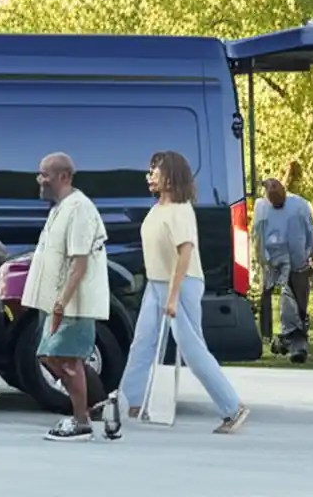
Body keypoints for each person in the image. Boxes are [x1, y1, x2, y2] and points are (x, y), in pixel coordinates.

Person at [121, 151, 250, 434]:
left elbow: (185, 253)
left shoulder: (181, 210)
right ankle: (128, 402)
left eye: (155, 171)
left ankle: (232, 407)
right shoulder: (158, 208)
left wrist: (172, 296)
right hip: (157, 284)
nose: (149, 176)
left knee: (192, 349)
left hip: (183, 283)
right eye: (150, 170)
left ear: (170, 176)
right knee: (142, 343)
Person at [20, 153, 111, 442]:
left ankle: (82, 422)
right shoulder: (60, 208)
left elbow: (79, 262)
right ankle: (101, 405)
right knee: (50, 356)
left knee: (67, 360)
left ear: (63, 177)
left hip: (74, 303)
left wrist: (61, 303)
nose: (39, 179)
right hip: (57, 302)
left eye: (44, 174)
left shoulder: (80, 208)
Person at [253, 178, 313, 362]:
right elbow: (258, 234)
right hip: (272, 259)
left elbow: (310, 231)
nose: (276, 203)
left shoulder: (299, 205)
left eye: (279, 197)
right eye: (272, 200)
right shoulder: (261, 208)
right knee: (268, 295)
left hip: (297, 259)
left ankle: (296, 337)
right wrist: (263, 258)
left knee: (297, 297)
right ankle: (270, 336)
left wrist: (308, 253)